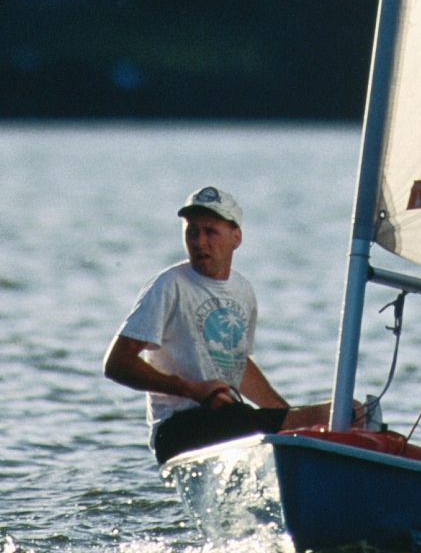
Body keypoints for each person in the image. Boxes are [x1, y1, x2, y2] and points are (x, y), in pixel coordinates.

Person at [104, 184, 343, 466]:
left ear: (236, 237)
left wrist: (284, 414)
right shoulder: (169, 285)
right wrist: (192, 390)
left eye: (210, 232)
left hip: (230, 422)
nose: (200, 242)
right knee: (243, 417)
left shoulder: (243, 291)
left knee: (342, 414)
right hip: (178, 431)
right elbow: (116, 364)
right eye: (192, 232)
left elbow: (235, 362)